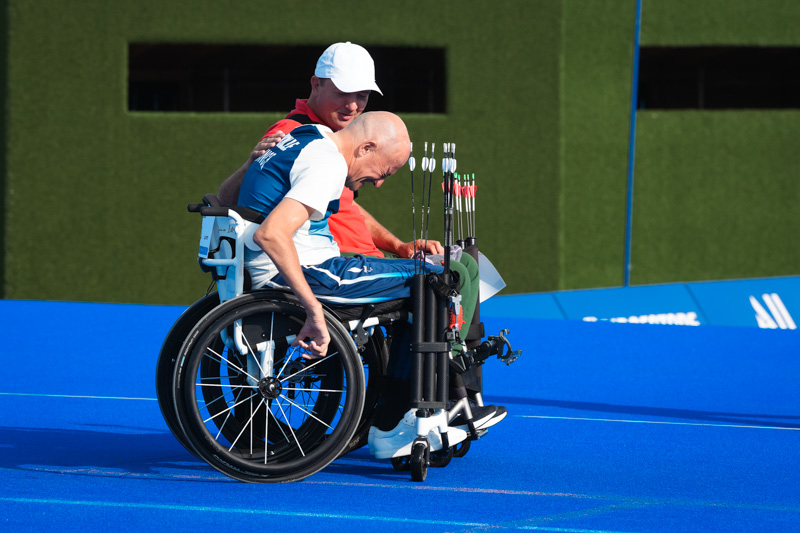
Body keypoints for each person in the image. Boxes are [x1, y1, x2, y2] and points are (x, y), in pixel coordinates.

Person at [237, 111, 491, 458]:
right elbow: (271, 233)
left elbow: (225, 196)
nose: (380, 182)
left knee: (453, 266)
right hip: (311, 272)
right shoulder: (326, 162)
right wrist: (313, 311)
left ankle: (433, 398)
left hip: (316, 264)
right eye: (384, 171)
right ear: (367, 147)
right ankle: (397, 419)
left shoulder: (308, 136)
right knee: (442, 278)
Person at [218, 41, 440, 259]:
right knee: (451, 274)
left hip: (361, 261)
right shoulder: (289, 133)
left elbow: (345, 206)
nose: (352, 105)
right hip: (340, 266)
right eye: (343, 92)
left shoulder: (333, 136)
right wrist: (250, 165)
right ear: (316, 85)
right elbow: (228, 203)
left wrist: (398, 246)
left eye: (362, 96)